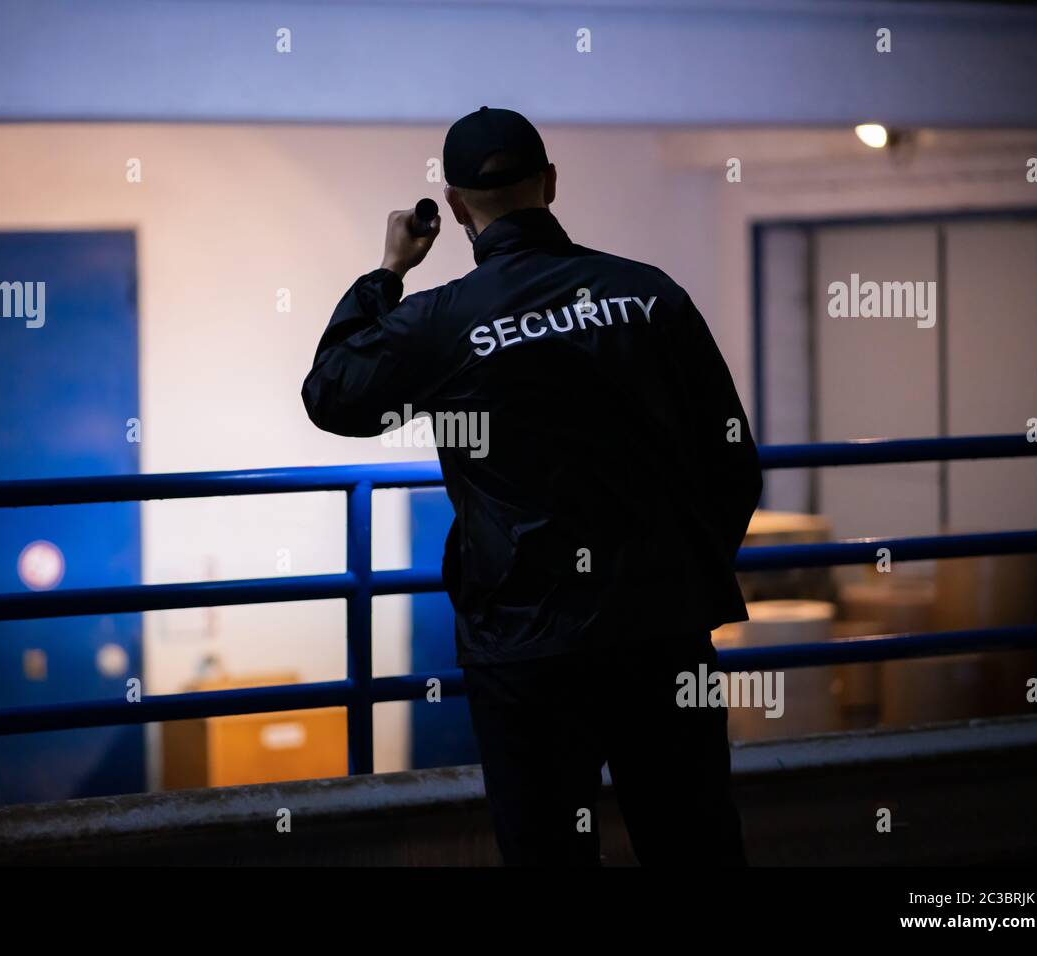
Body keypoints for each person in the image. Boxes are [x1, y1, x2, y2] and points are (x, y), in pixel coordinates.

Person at [302, 107, 761, 866]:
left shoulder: (442, 322)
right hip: (662, 632)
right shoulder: (651, 296)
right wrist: (680, 575)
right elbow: (733, 462)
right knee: (695, 844)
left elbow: (332, 394)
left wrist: (386, 273)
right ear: (550, 184)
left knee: (548, 852)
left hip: (526, 649)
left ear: (452, 208)